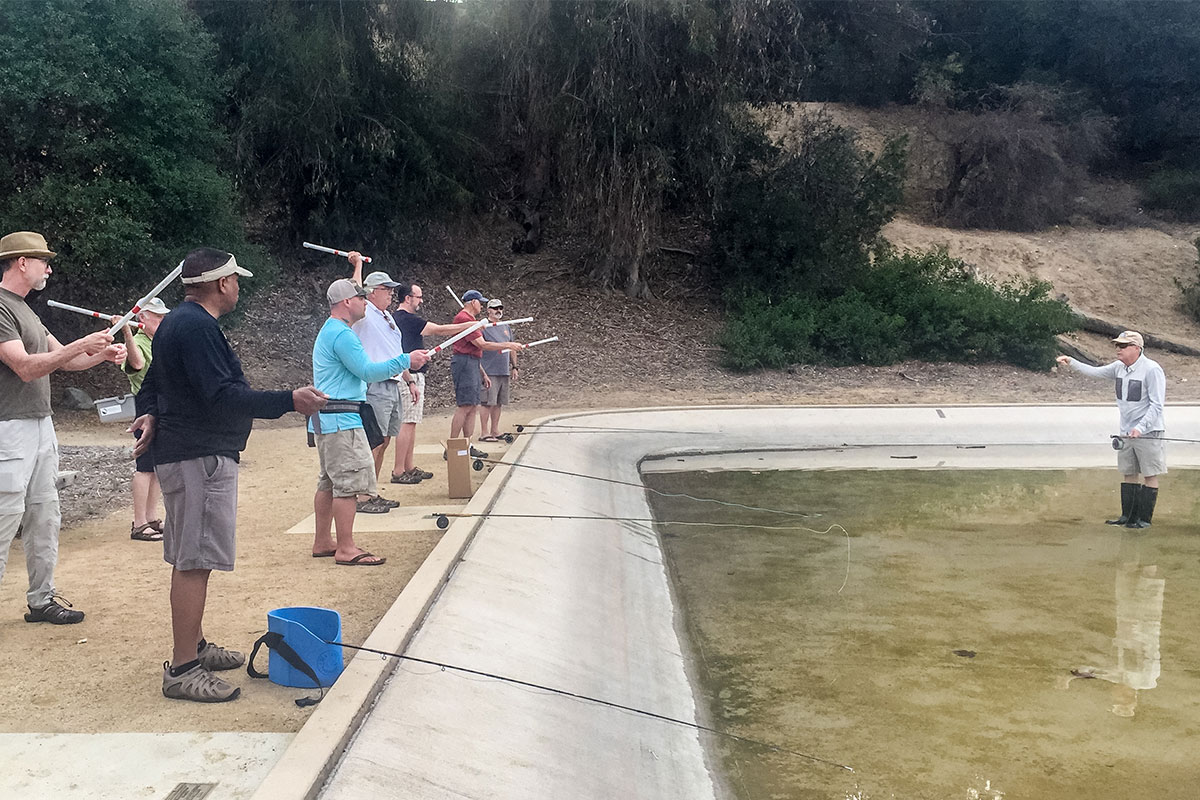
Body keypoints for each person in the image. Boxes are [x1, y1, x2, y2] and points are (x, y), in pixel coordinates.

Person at [132, 247, 327, 703]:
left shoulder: (179, 323)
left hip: (192, 453)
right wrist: (288, 400)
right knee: (194, 560)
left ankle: (194, 645)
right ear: (222, 284)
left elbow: (152, 385)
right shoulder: (197, 327)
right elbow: (222, 396)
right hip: (199, 456)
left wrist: (151, 415)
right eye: (235, 279)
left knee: (193, 555)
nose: (238, 286)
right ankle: (183, 668)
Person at [0, 230, 127, 625]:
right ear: (22, 262)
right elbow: (24, 367)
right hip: (9, 429)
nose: (49, 269)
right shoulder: (1, 308)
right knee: (5, 514)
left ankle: (41, 600)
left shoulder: (25, 309)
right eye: (44, 262)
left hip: (40, 425)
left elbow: (61, 360)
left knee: (45, 513)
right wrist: (80, 344)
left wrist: (99, 355)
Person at [309, 279, 429, 565]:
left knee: (328, 482)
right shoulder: (342, 335)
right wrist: (405, 361)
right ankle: (346, 547)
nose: (365, 301)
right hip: (342, 420)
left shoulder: (332, 331)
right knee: (348, 485)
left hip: (328, 419)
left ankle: (324, 540)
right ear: (346, 302)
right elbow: (368, 371)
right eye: (360, 297)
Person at [1057, 330, 1165, 528]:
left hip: (1148, 432)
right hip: (1125, 432)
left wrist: (1141, 428)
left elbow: (1157, 405)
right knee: (1129, 472)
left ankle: (1144, 520)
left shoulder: (1152, 369)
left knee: (1150, 474)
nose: (1118, 349)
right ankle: (1127, 517)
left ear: (1136, 348)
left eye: (1123, 346)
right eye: (1117, 345)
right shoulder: (1118, 368)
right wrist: (1072, 361)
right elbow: (1095, 372)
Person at [390, 282, 478, 483]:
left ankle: (408, 466)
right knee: (407, 422)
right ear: (407, 298)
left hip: (413, 374)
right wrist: (470, 324)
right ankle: (398, 470)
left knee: (412, 422)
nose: (421, 301)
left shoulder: (400, 319)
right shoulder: (406, 319)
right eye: (418, 297)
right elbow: (439, 330)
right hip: (408, 375)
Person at [345, 259, 410, 505]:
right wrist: (358, 264)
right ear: (371, 292)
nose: (391, 294)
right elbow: (353, 290)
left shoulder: (387, 317)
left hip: (393, 382)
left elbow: (394, 350)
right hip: (376, 384)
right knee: (374, 440)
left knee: (384, 440)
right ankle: (363, 495)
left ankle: (372, 490)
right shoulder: (365, 313)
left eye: (392, 289)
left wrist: (409, 380)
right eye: (386, 289)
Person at [115, 296, 169, 541]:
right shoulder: (136, 342)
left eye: (162, 316)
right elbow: (135, 364)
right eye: (156, 317)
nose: (162, 320)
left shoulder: (159, 342)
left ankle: (151, 517)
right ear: (142, 319)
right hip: (144, 405)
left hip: (161, 405)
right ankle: (139, 523)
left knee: (157, 467)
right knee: (144, 466)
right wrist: (125, 330)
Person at [449, 289, 523, 457]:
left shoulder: (472, 320)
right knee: (465, 406)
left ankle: (467, 446)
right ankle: (453, 446)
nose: (481, 306)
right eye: (479, 302)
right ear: (472, 302)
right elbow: (482, 344)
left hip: (473, 362)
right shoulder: (464, 319)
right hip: (464, 362)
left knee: (472, 406)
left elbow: (477, 350)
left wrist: (482, 373)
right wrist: (508, 345)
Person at [477, 298, 518, 442]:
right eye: (495, 308)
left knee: (499, 402)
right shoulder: (483, 326)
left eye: (500, 308)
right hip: (489, 370)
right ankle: (484, 432)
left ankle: (495, 430)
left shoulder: (506, 326)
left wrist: (514, 367)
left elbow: (512, 347)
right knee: (487, 402)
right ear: (488, 310)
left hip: (503, 370)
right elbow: (480, 346)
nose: (498, 311)